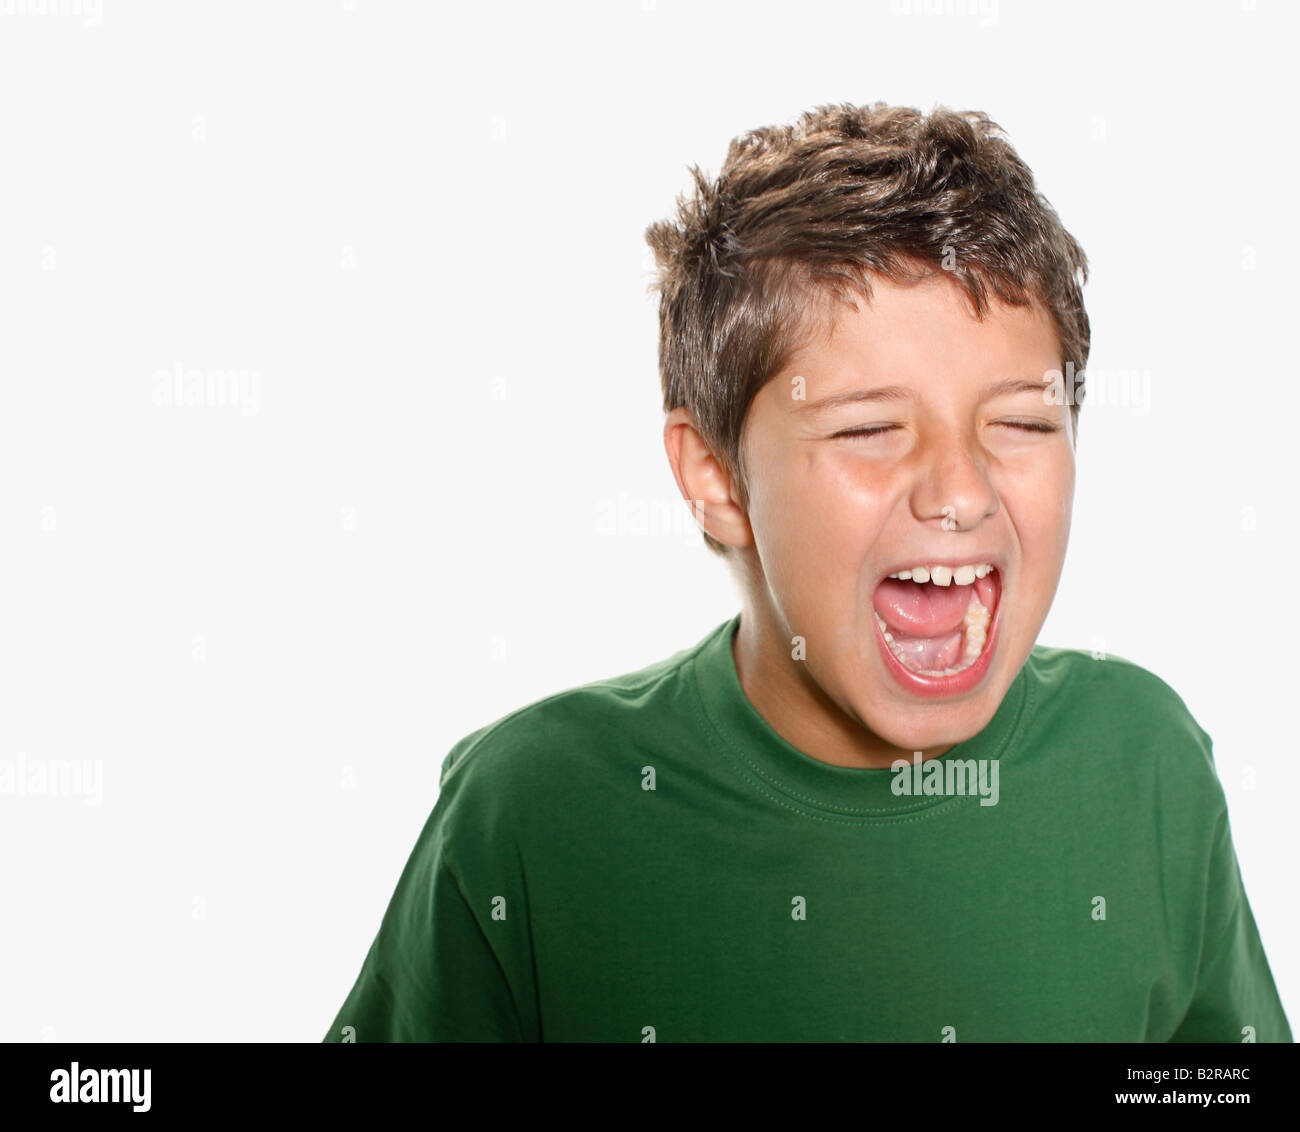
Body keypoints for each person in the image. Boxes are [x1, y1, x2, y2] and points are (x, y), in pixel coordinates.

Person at [324, 102, 1291, 1042]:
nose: (960, 492)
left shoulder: (1147, 766)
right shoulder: (531, 812)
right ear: (715, 479)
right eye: (869, 429)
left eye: (1023, 423)